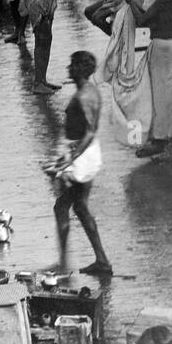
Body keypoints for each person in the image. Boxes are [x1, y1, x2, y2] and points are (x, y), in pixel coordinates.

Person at [50, 52, 113, 276]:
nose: (68, 67)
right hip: (87, 153)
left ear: (79, 67)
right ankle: (100, 260)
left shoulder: (84, 95)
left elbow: (88, 132)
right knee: (78, 206)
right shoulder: (90, 91)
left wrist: (70, 158)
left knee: (66, 207)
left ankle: (64, 263)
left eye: (72, 64)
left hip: (82, 155)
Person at [131, 0, 172, 159]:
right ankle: (167, 136)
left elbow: (142, 21)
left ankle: (160, 140)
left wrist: (130, 1)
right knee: (168, 92)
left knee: (159, 93)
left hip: (160, 46)